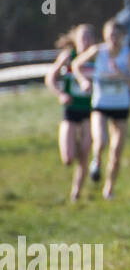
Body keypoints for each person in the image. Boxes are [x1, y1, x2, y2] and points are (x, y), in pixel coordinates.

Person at [72, 20, 130, 200]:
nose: (113, 39)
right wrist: (84, 81)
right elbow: (76, 65)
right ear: (105, 36)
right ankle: (96, 161)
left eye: (116, 36)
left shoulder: (128, 55)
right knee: (100, 141)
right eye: (109, 36)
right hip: (101, 105)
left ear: (122, 36)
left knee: (116, 151)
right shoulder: (98, 51)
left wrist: (122, 75)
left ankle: (109, 188)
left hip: (121, 106)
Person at [45, 24, 96, 202]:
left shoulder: (97, 58)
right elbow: (50, 77)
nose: (86, 41)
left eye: (89, 38)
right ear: (76, 40)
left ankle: (76, 192)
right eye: (82, 38)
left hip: (90, 111)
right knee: (68, 158)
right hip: (71, 110)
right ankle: (72, 143)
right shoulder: (68, 56)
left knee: (84, 154)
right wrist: (61, 94)